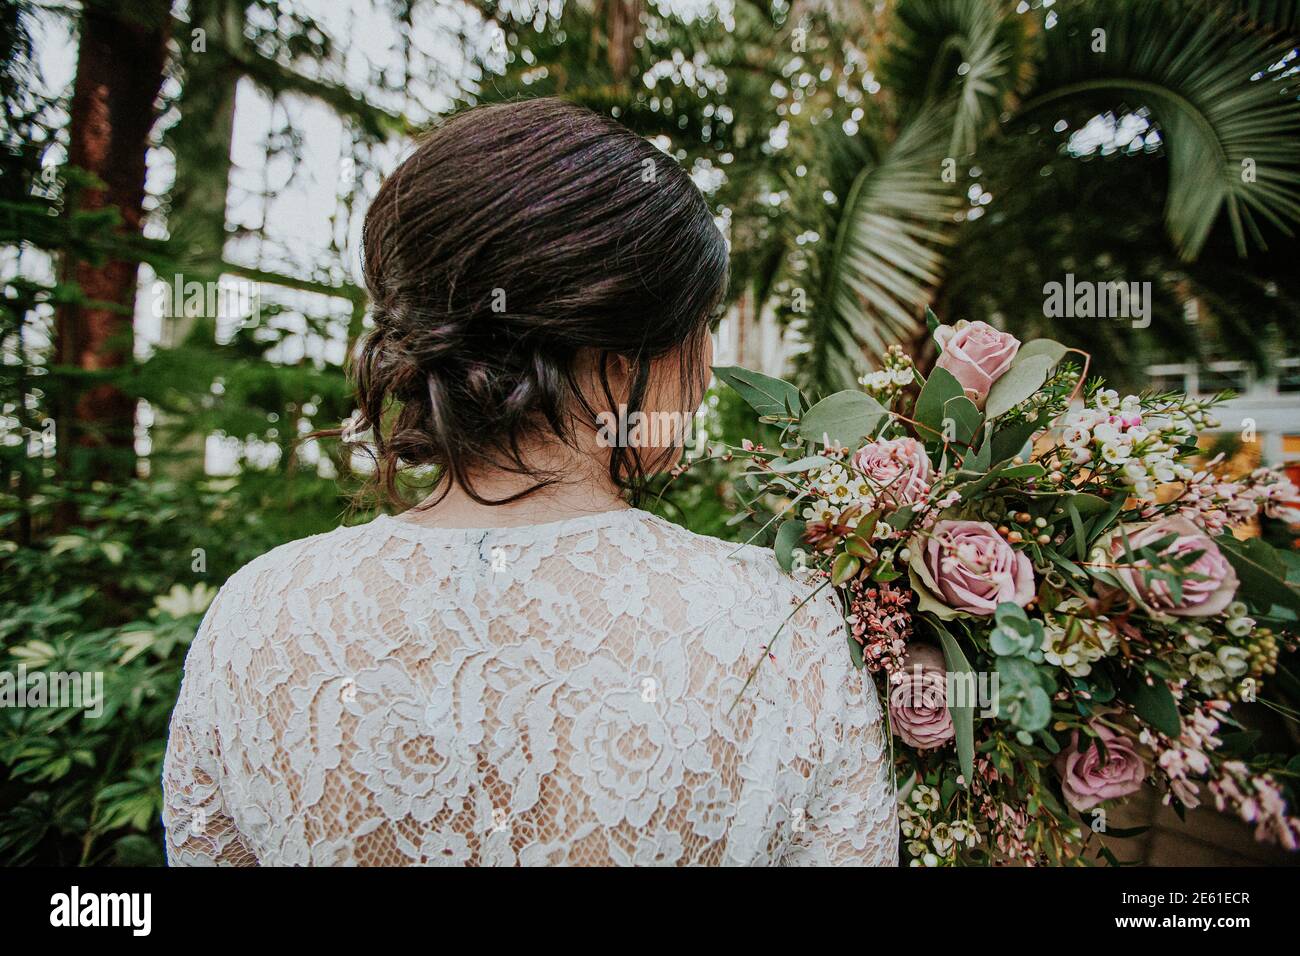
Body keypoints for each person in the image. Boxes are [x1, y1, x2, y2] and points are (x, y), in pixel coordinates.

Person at [161, 97, 895, 866]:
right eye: (700, 326)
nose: (709, 372)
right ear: (619, 359)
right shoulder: (785, 630)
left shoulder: (254, 618)